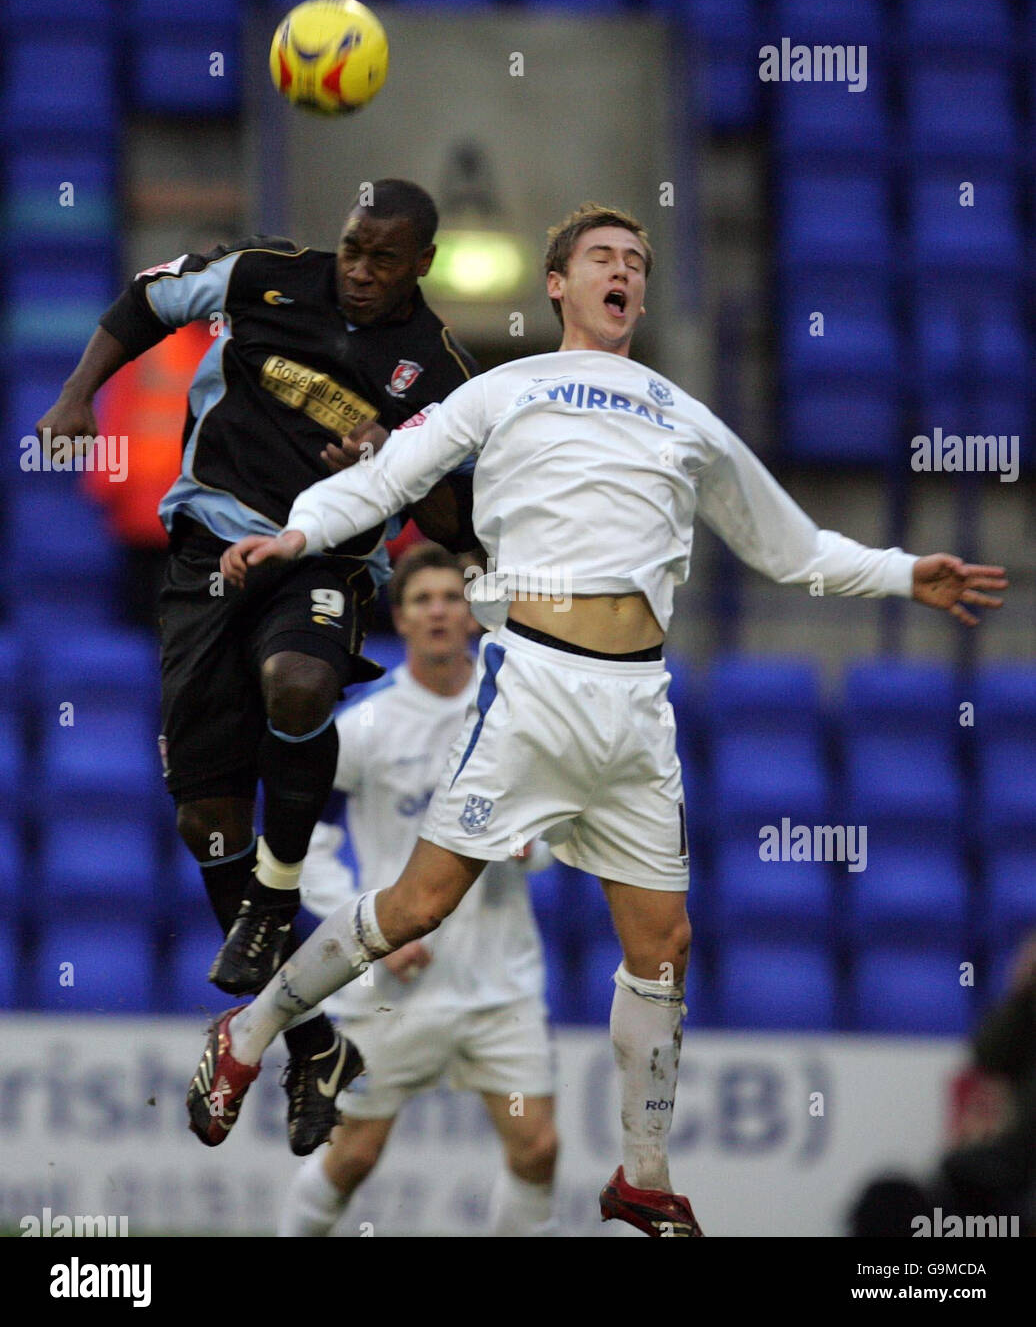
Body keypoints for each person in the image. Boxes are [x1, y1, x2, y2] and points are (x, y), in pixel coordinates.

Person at [190, 201, 1008, 1237]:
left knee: (664, 944)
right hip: (534, 682)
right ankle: (249, 1030)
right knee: (415, 906)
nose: (623, 272)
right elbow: (390, 477)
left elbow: (791, 547)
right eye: (603, 258)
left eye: (637, 262)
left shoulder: (682, 412)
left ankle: (643, 1177)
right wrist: (296, 533)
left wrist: (902, 571)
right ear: (558, 286)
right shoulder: (503, 389)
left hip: (638, 710)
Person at [36, 180, 479, 1156]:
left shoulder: (440, 370)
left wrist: (392, 453)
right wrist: (78, 395)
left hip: (324, 560)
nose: (359, 271)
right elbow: (144, 303)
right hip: (204, 550)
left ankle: (276, 897)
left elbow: (455, 523)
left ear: (421, 266)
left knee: (300, 685)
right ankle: (315, 1040)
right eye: (353, 248)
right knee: (203, 819)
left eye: (381, 258)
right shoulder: (268, 278)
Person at [279, 543, 558, 1237]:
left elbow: (553, 833)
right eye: (420, 600)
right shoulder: (362, 723)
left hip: (499, 983)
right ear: (399, 620)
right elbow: (304, 840)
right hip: (391, 989)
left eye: (450, 598)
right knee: (354, 1156)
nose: (437, 611)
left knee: (539, 1147)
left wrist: (531, 848)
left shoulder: (512, 715)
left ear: (472, 616)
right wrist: (371, 931)